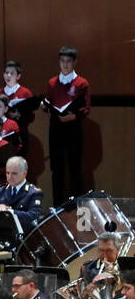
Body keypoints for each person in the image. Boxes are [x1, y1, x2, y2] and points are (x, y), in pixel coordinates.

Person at [44, 45, 90, 202]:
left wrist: (74, 116)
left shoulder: (82, 83)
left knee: (75, 167)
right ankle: (57, 205)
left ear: (74, 62)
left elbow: (86, 107)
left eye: (68, 61)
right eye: (62, 61)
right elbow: (48, 102)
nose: (65, 64)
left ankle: (77, 204)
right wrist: (46, 107)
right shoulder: (51, 82)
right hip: (56, 128)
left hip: (73, 129)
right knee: (56, 169)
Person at [0, 156, 44, 231]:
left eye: (14, 173)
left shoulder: (34, 192)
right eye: (7, 173)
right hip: (1, 234)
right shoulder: (0, 190)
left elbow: (34, 217)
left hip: (23, 237)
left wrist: (10, 212)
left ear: (24, 173)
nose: (9, 177)